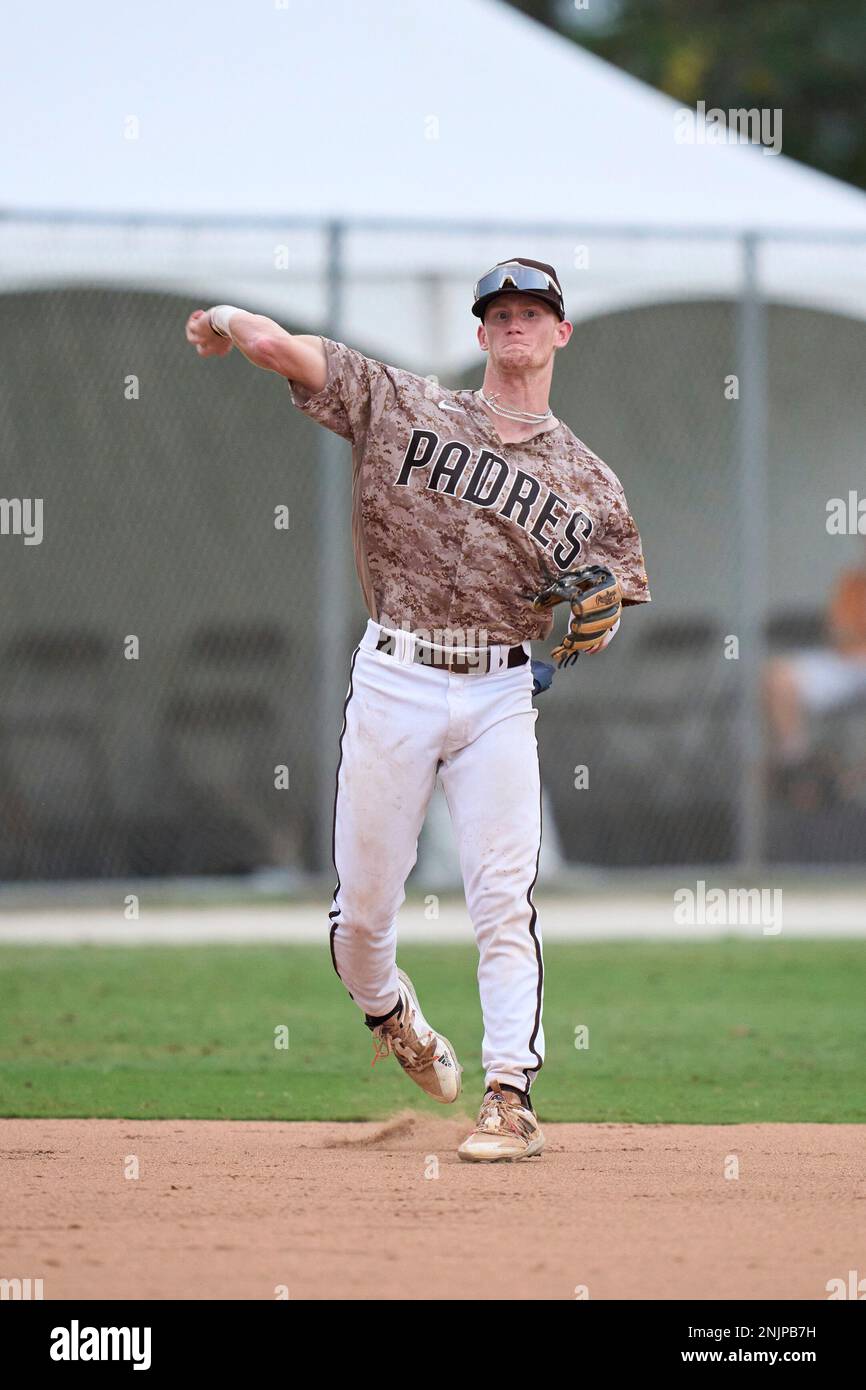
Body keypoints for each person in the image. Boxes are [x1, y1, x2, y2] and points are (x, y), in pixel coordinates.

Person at [185, 257, 651, 1162]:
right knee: (360, 923)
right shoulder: (405, 404)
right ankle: (390, 1011)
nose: (515, 324)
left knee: (502, 903)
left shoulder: (591, 481)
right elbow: (283, 349)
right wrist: (225, 314)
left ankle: (510, 1098)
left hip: (500, 690)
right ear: (479, 334)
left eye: (533, 312)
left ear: (562, 332)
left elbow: (607, 605)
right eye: (500, 313)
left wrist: (593, 629)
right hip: (395, 677)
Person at [764, 541, 866, 794]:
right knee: (778, 676)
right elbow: (840, 633)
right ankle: (798, 764)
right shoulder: (853, 581)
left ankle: (854, 776)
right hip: (851, 662)